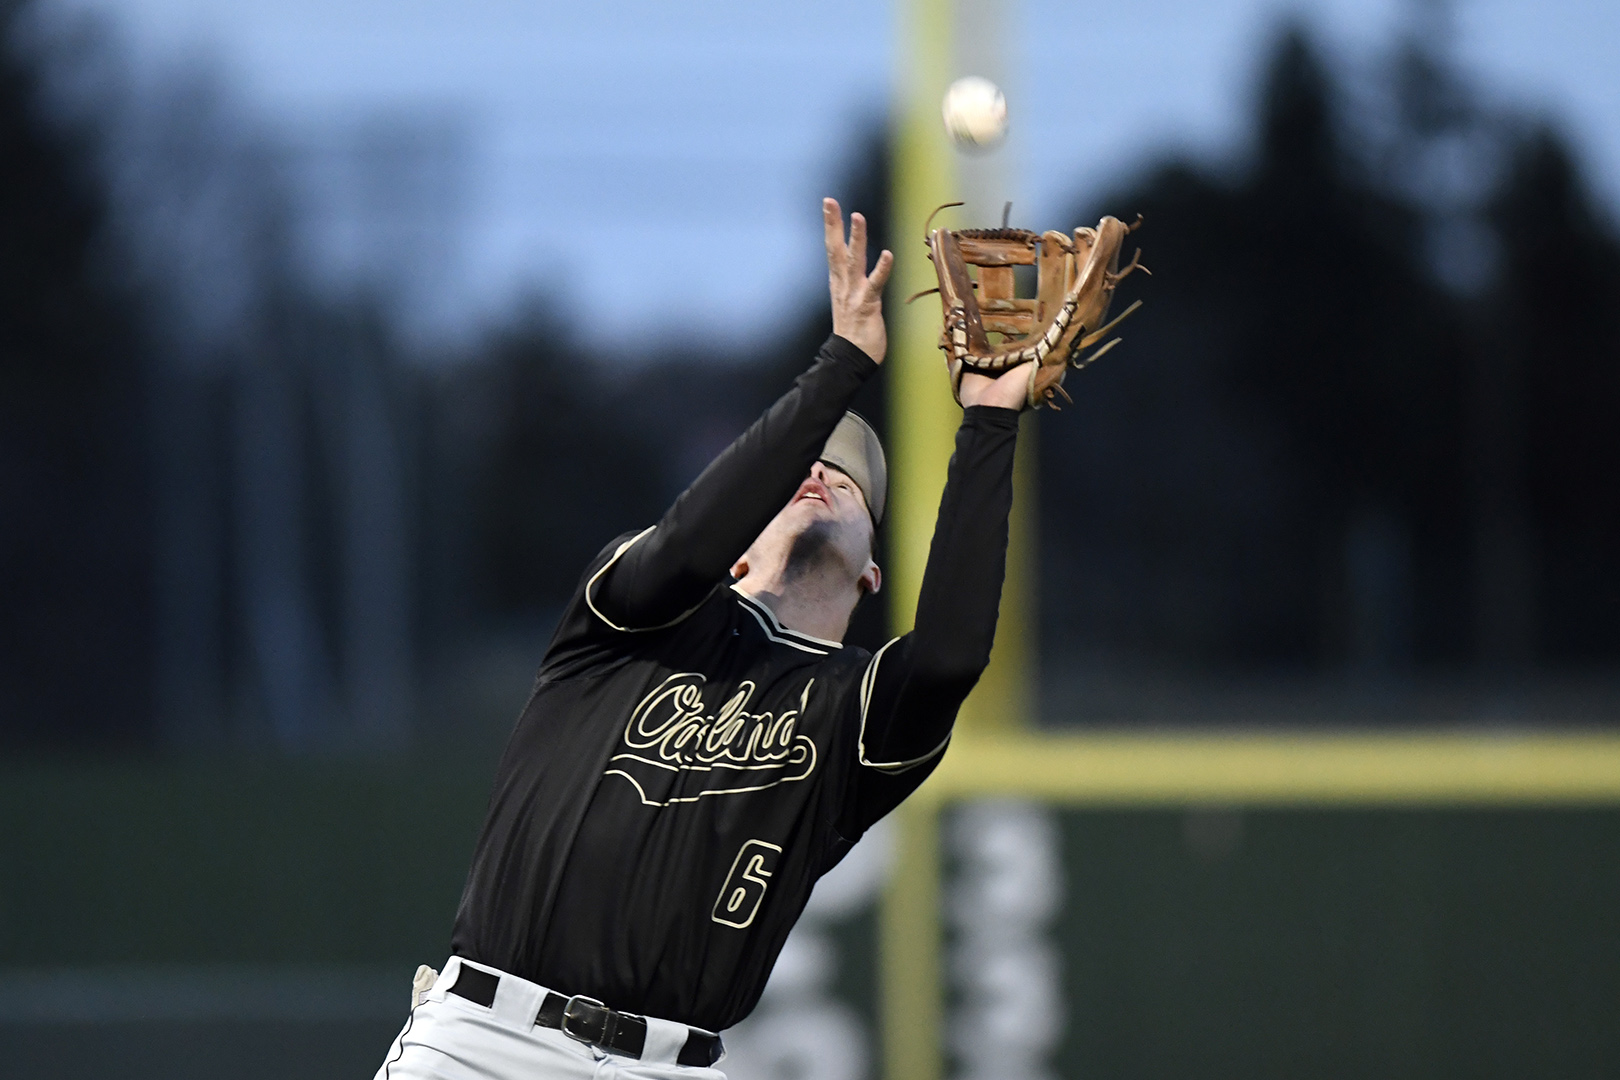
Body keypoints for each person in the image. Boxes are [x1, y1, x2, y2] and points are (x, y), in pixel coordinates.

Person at [375, 198, 1030, 1080]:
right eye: (802, 468)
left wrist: (989, 418)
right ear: (739, 544)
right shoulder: (629, 621)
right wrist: (841, 368)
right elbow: (687, 540)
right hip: (488, 1042)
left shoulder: (855, 715)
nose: (819, 478)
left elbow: (951, 653)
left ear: (873, 570)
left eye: (846, 479)